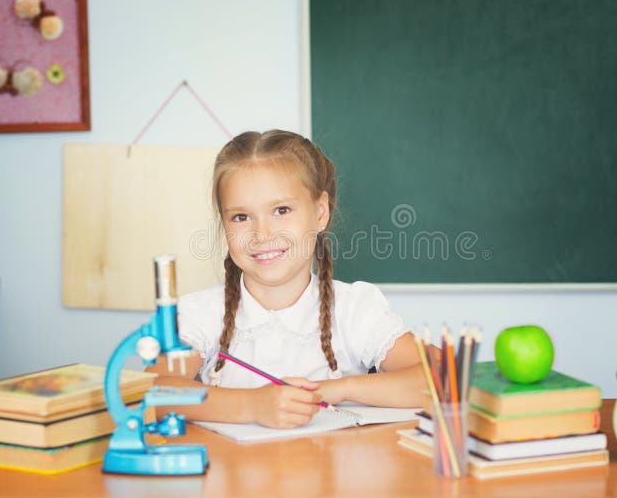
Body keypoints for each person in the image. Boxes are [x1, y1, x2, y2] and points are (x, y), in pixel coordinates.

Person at [148, 130, 425, 428]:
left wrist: (334, 389)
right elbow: (157, 391)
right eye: (241, 217)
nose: (262, 234)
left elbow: (437, 381)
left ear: (320, 213)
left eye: (281, 210)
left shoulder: (354, 308)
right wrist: (253, 406)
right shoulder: (200, 314)